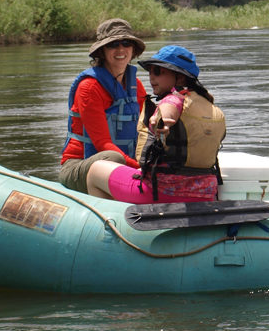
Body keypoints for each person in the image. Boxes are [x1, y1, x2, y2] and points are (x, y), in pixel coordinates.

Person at [86, 45, 226, 203]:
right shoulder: (211, 107)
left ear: (179, 78)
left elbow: (169, 108)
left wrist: (163, 121)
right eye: (150, 71)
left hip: (163, 191)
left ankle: (114, 222)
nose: (152, 77)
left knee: (95, 170)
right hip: (205, 192)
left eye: (158, 72)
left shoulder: (173, 99)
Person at [60, 18, 148, 193]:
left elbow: (146, 131)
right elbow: (102, 144)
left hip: (125, 166)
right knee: (112, 157)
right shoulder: (89, 88)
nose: (121, 49)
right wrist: (140, 169)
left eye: (126, 43)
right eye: (113, 45)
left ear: (133, 49)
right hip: (81, 166)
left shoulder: (135, 86)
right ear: (102, 51)